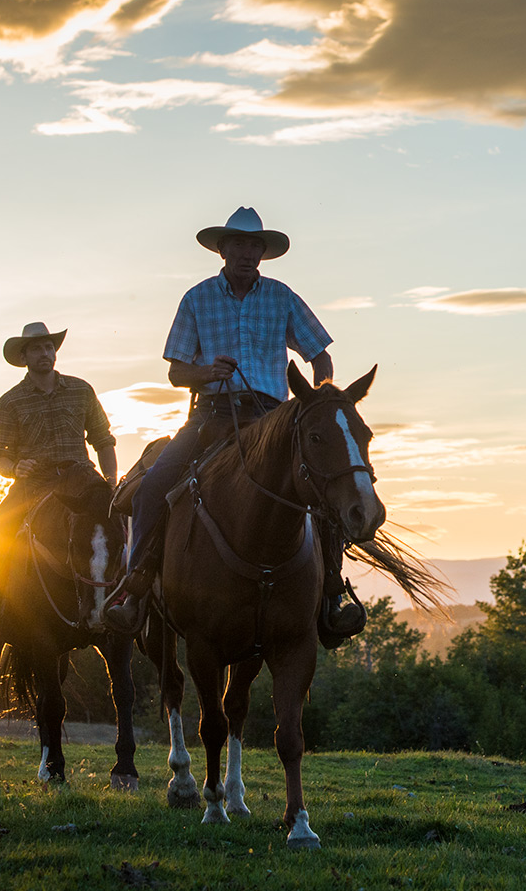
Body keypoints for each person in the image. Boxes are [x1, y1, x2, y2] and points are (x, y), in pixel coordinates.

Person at [100, 207, 366, 642]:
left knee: (321, 488)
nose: (247, 253)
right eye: (238, 244)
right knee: (152, 487)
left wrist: (321, 395)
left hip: (269, 420)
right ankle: (136, 589)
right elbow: (176, 373)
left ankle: (331, 594)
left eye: (254, 246)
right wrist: (206, 373)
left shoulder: (282, 297)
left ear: (263, 253)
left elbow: (320, 355)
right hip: (211, 416)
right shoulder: (196, 298)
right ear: (222, 250)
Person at [0, 321, 118, 648]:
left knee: (122, 524)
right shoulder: (10, 402)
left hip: (82, 479)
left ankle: (133, 603)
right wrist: (16, 467)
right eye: (37, 348)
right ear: (25, 355)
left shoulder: (81, 390)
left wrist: (111, 483)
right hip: (33, 484)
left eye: (49, 347)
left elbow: (103, 440)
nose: (45, 353)